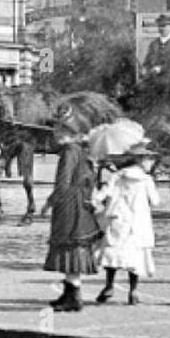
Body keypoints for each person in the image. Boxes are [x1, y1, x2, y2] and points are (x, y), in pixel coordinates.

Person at [42, 131, 102, 312]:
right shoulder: (85, 152)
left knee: (69, 246)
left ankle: (73, 296)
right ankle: (69, 292)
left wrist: (49, 202)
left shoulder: (69, 151)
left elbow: (63, 182)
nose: (55, 135)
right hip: (80, 203)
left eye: (60, 130)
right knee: (75, 247)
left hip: (69, 205)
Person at [93, 141, 160, 305]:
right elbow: (156, 201)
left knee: (112, 252)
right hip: (138, 223)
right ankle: (133, 291)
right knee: (135, 257)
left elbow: (103, 194)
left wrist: (95, 201)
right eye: (147, 159)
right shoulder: (146, 180)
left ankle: (109, 285)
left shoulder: (117, 176)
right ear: (140, 160)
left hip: (118, 219)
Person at [142, 15, 170, 87]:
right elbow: (147, 61)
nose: (161, 28)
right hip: (153, 80)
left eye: (164, 26)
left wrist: (161, 69)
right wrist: (146, 69)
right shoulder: (154, 44)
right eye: (159, 26)